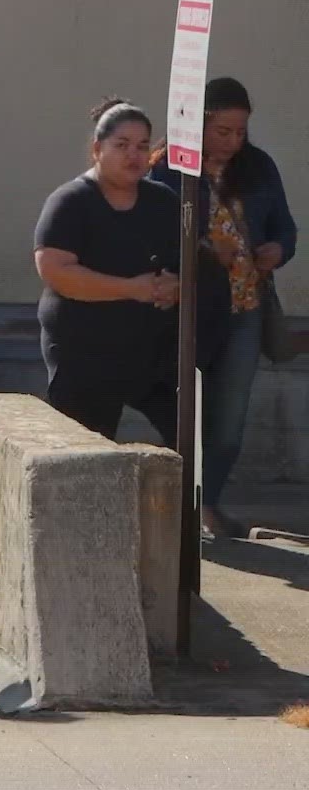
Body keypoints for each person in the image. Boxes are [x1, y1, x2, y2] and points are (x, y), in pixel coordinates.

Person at [150, 78, 296, 539]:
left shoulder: (259, 167)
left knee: (230, 416)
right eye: (223, 131)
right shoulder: (168, 168)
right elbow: (152, 235)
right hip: (187, 312)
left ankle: (206, 504)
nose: (233, 142)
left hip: (244, 307)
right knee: (182, 413)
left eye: (240, 132)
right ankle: (174, 509)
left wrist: (278, 249)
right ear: (199, 124)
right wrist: (202, 249)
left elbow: (285, 228)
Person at [34, 101, 185, 446]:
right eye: (122, 145)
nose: (134, 155)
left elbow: (187, 260)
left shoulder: (162, 202)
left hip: (151, 349)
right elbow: (56, 271)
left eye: (143, 146)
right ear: (97, 149)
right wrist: (132, 288)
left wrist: (174, 285)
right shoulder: (71, 202)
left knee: (192, 434)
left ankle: (193, 500)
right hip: (85, 349)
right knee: (84, 451)